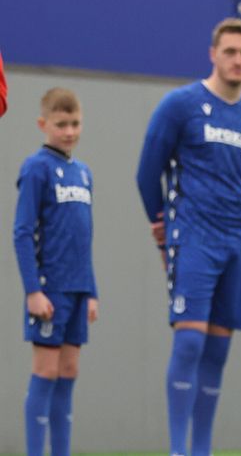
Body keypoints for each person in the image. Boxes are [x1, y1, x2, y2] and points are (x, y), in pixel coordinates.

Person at [136, 18, 241, 456]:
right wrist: (163, 230)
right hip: (193, 235)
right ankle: (178, 450)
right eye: (229, 51)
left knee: (217, 350)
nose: (237, 60)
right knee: (189, 339)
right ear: (213, 53)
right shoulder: (180, 104)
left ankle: (201, 450)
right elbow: (146, 173)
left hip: (239, 240)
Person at [14, 88, 98, 456]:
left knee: (68, 373)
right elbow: (22, 232)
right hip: (50, 289)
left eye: (75, 123)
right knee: (45, 372)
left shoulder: (83, 173)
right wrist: (33, 290)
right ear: (43, 124)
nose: (69, 131)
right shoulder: (37, 168)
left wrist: (92, 290)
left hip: (79, 289)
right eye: (61, 124)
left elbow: (85, 237)